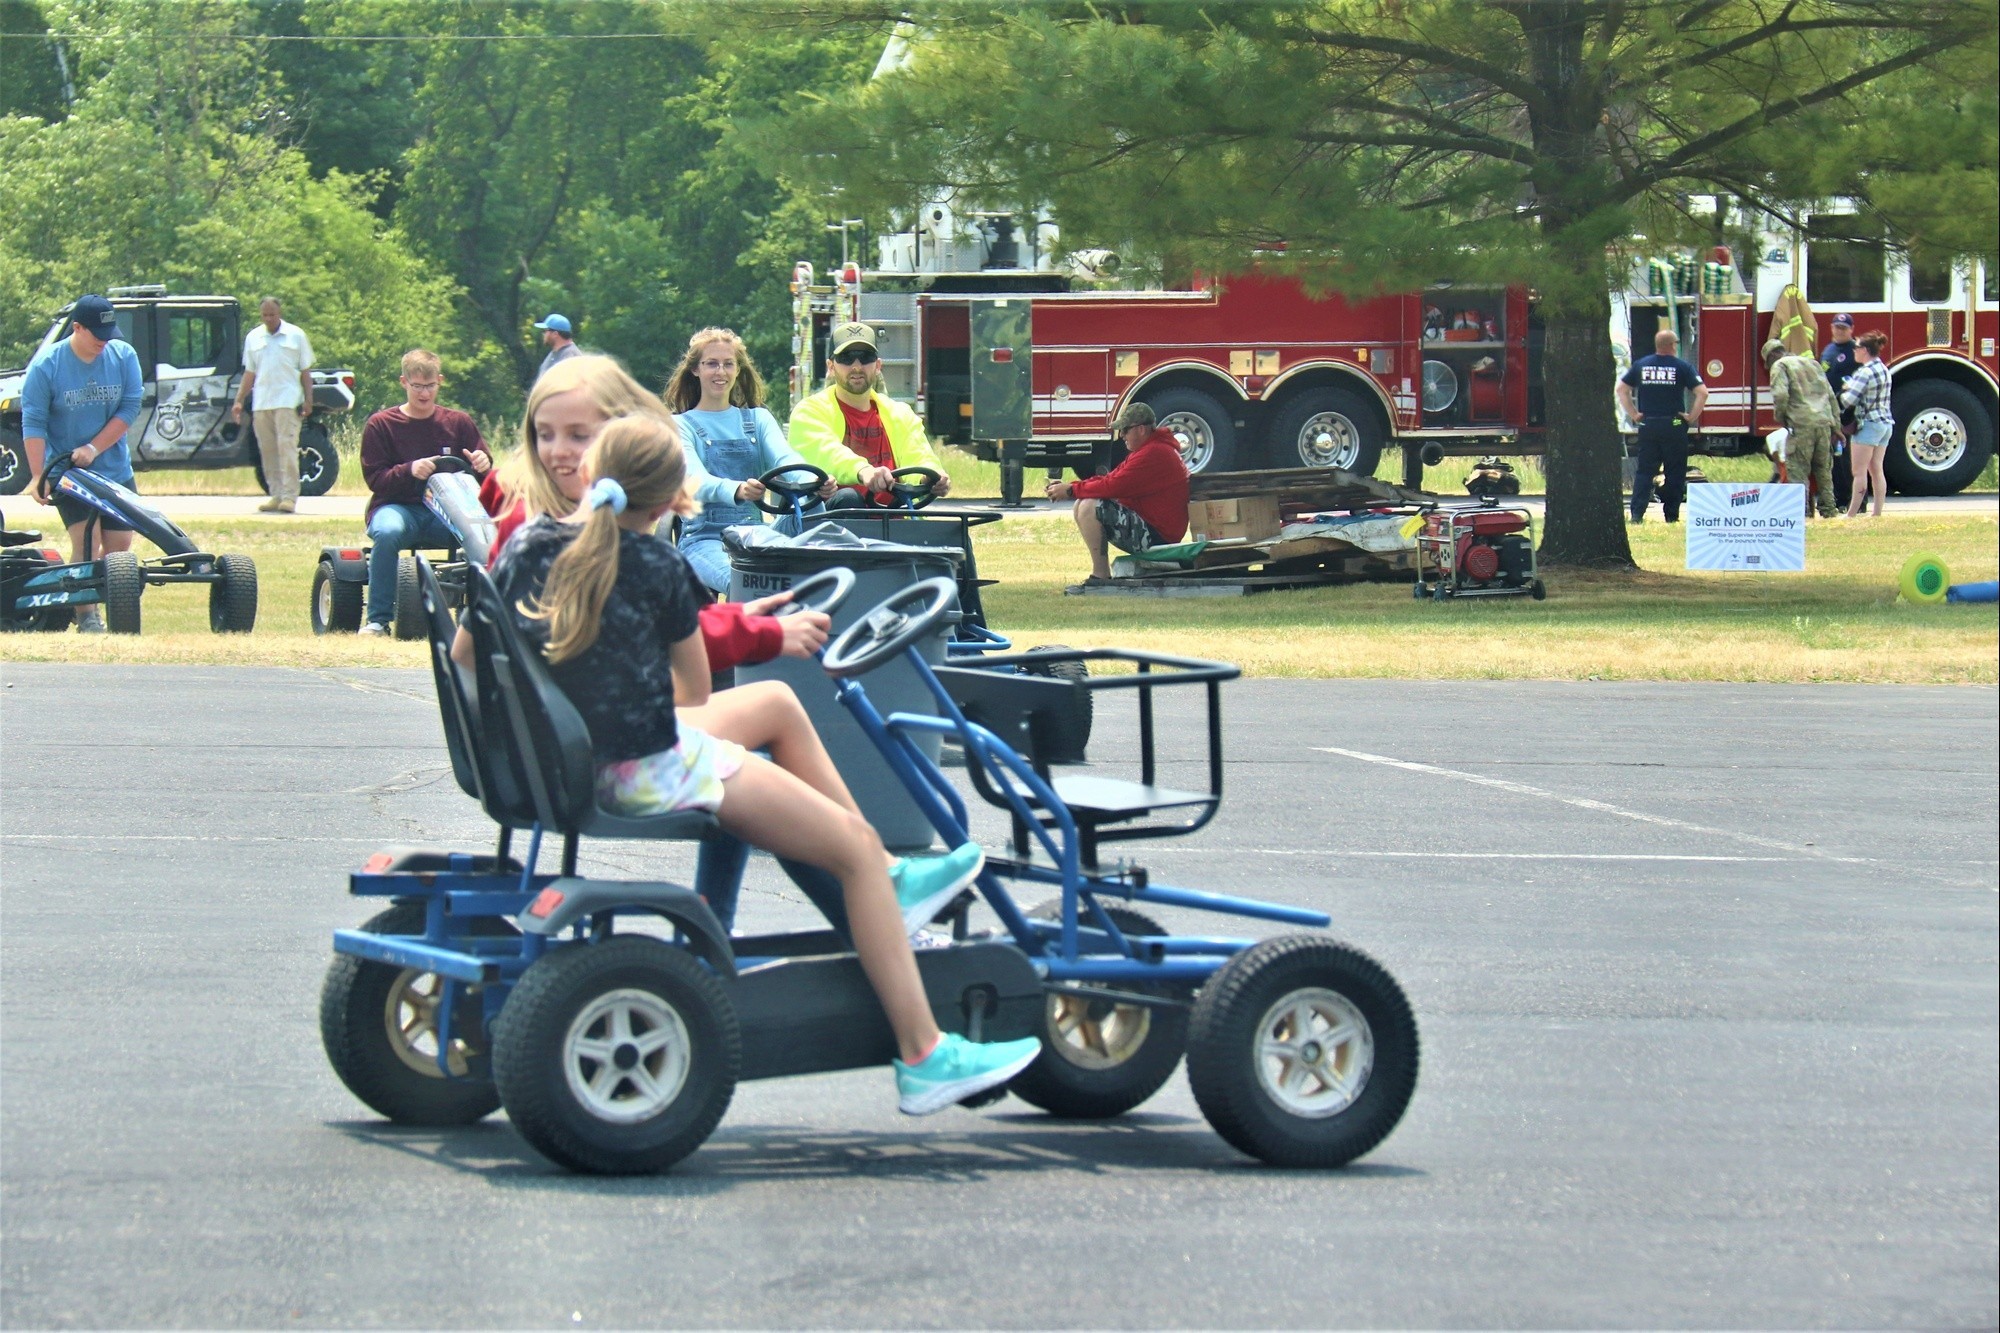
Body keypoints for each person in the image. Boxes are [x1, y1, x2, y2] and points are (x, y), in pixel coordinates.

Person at [458, 414, 1041, 1113]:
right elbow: (695, 696)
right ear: (677, 498)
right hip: (642, 761)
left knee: (772, 704)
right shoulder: (656, 566)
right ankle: (924, 1052)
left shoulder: (529, 542)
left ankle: (892, 883)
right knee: (853, 848)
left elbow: (470, 655)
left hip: (578, 748)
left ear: (591, 473)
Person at [479, 353, 842, 930]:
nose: (562, 451)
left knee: (758, 747)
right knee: (761, 763)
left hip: (542, 741)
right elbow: (663, 655)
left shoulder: (535, 525)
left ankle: (733, 923)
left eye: (580, 436)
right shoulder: (561, 534)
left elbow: (639, 633)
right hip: (592, 749)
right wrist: (763, 631)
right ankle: (863, 892)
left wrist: (747, 621)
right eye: (549, 435)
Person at [664, 327, 836, 593]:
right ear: (695, 370)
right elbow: (693, 480)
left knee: (813, 507)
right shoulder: (680, 425)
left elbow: (785, 458)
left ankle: (823, 595)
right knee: (746, 582)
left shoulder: (758, 419)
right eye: (711, 364)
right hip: (706, 540)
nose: (720, 372)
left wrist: (814, 482)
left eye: (728, 364)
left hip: (754, 533)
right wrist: (737, 489)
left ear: (738, 370)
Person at [20, 294, 143, 634]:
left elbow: (130, 407)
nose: (105, 341)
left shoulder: (123, 355)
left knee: (119, 546)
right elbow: (34, 422)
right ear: (76, 328)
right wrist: (38, 475)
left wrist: (94, 447)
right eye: (97, 335)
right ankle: (87, 615)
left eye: (109, 333)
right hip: (67, 470)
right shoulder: (48, 367)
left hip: (114, 467)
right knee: (85, 540)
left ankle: (106, 601)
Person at [356, 349, 493, 635]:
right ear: (403, 382)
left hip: (448, 509)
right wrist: (409, 470)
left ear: (439, 382)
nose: (424, 393)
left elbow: (485, 473)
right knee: (388, 532)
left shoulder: (458, 423)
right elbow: (375, 478)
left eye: (430, 386)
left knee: (483, 535)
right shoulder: (382, 424)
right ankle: (378, 619)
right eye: (417, 386)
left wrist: (483, 463)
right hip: (398, 506)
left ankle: (485, 614)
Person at [787, 321, 952, 507]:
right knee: (849, 498)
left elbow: (919, 456)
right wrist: (863, 470)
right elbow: (828, 452)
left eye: (865, 357)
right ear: (831, 367)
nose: (857, 366)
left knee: (955, 535)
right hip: (831, 528)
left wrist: (929, 476)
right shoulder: (809, 412)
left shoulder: (900, 413)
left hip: (893, 519)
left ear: (878, 365)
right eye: (846, 358)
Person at [1043, 401, 1189, 592]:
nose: (1121, 435)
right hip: (1154, 530)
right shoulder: (1152, 449)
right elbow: (1111, 479)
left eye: (1125, 430)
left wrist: (1070, 490)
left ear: (1142, 429)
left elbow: (1112, 486)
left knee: (1089, 506)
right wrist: (1072, 486)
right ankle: (1100, 574)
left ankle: (1101, 577)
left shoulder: (1155, 453)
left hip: (1159, 539)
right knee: (1084, 503)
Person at [229, 297, 315, 513]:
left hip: (287, 400)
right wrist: (239, 400)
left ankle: (289, 497)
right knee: (268, 450)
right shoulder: (254, 337)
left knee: (286, 448)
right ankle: (276, 494)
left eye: (272, 314)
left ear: (279, 313)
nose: (268, 319)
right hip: (262, 402)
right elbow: (250, 373)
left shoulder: (296, 335)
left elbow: (305, 371)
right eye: (265, 315)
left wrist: (308, 400)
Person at [1616, 328, 1707, 524]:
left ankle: (1637, 514)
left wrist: (1634, 414)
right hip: (1674, 424)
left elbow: (1622, 390)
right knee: (1675, 471)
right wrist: (1691, 417)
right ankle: (1671, 516)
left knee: (1645, 471)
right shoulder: (1682, 367)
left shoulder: (1642, 365)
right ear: (1671, 345)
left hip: (1648, 424)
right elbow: (1702, 393)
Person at [1762, 338, 1840, 519]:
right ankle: (1829, 511)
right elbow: (1830, 396)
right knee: (1823, 470)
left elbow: (1781, 394)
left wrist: (1781, 417)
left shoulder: (1780, 366)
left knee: (1797, 470)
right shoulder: (1812, 364)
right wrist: (1836, 427)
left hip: (1801, 424)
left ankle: (1802, 513)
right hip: (1823, 424)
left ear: (1773, 355)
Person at [1840, 330, 1894, 519]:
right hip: (1885, 424)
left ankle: (1851, 514)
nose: (1853, 350)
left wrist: (1845, 388)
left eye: (1856, 347)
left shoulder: (1864, 372)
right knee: (1876, 469)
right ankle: (1877, 513)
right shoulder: (1883, 369)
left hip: (1868, 425)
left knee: (1858, 471)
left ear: (1864, 350)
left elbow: (1848, 400)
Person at [1820, 312, 1859, 502]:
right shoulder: (1828, 350)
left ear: (1851, 329)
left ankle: (1854, 500)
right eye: (1837, 327)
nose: (1840, 331)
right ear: (1832, 328)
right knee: (1833, 459)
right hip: (1829, 412)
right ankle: (1839, 497)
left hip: (1848, 413)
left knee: (1848, 460)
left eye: (1844, 328)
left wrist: (1850, 413)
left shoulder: (1856, 351)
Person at [533, 314, 580, 380]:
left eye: (545, 331)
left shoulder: (570, 356)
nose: (543, 334)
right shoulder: (554, 353)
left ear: (555, 334)